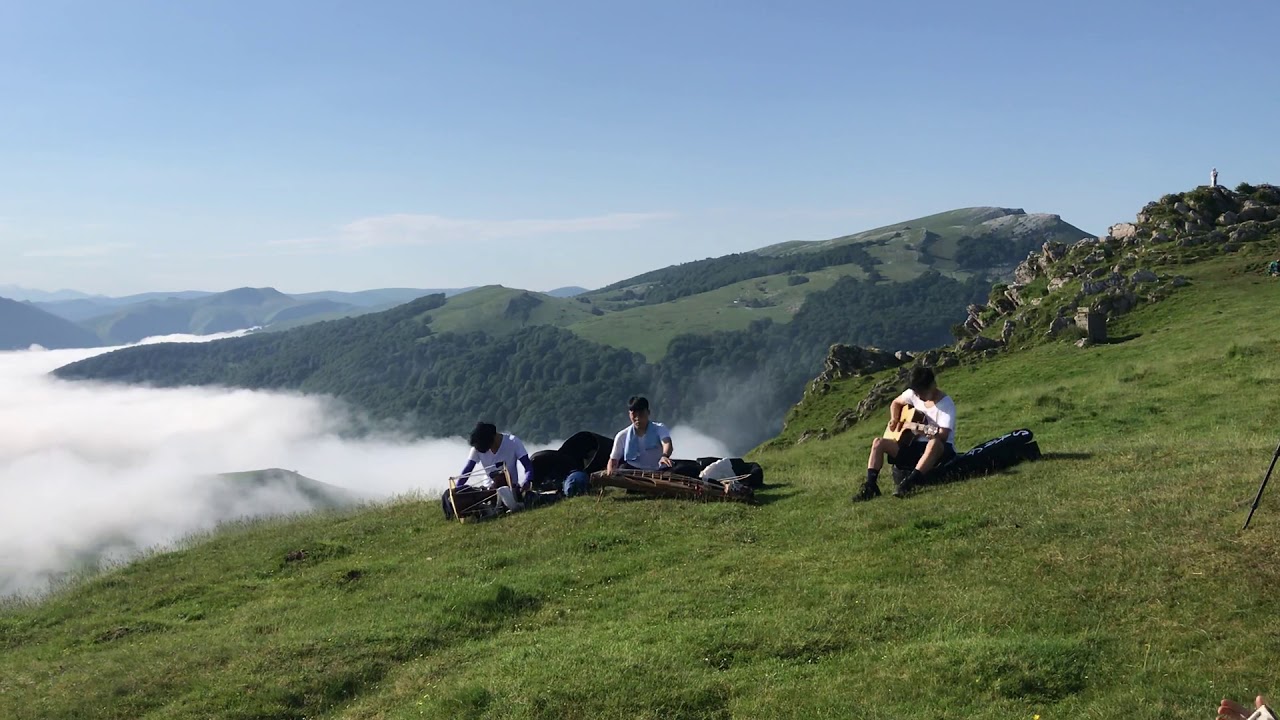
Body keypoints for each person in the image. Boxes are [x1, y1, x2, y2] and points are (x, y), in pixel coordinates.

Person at [854, 366, 957, 501]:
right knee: (878, 442)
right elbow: (896, 403)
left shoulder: (946, 404)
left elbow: (943, 435)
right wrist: (895, 419)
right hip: (913, 446)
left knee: (934, 443)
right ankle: (871, 486)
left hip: (939, 451)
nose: (919, 396)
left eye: (922, 392)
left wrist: (917, 427)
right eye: (917, 392)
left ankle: (910, 483)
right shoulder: (913, 394)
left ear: (932, 385)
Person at [455, 422, 535, 512]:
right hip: (488, 490)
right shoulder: (477, 448)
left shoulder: (513, 442)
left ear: (493, 437)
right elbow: (467, 470)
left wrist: (527, 480)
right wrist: (457, 490)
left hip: (510, 488)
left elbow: (527, 465)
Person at [607, 396, 674, 473]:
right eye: (634, 415)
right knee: (622, 468)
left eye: (641, 414)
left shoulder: (659, 428)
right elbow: (613, 459)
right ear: (629, 414)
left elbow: (667, 443)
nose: (637, 418)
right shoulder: (622, 436)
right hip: (633, 470)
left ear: (648, 412)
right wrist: (610, 471)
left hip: (659, 468)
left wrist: (664, 456)